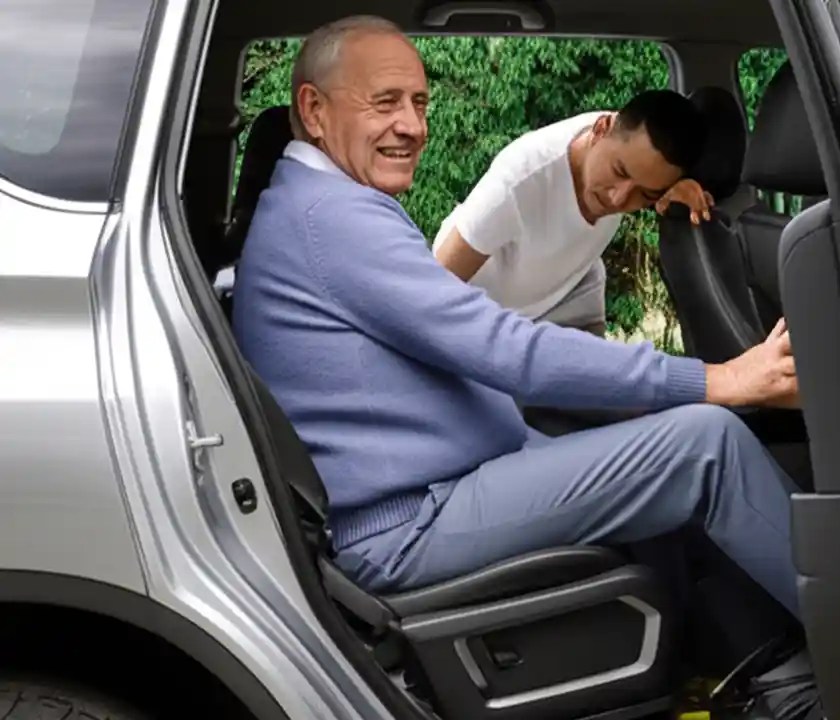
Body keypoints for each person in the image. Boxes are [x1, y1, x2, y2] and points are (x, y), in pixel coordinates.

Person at [232, 14, 803, 621]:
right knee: (705, 444)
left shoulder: (312, 202)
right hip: (407, 520)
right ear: (314, 111)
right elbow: (505, 349)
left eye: (420, 103)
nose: (413, 126)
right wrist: (721, 380)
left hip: (446, 476)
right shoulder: (332, 218)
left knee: (656, 438)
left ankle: (712, 656)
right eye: (385, 103)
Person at [431, 89, 715, 335]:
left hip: (559, 307)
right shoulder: (518, 180)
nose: (618, 198)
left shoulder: (635, 157)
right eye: (619, 171)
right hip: (480, 319)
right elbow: (433, 288)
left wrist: (670, 193)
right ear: (601, 128)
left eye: (646, 194)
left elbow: (645, 173)